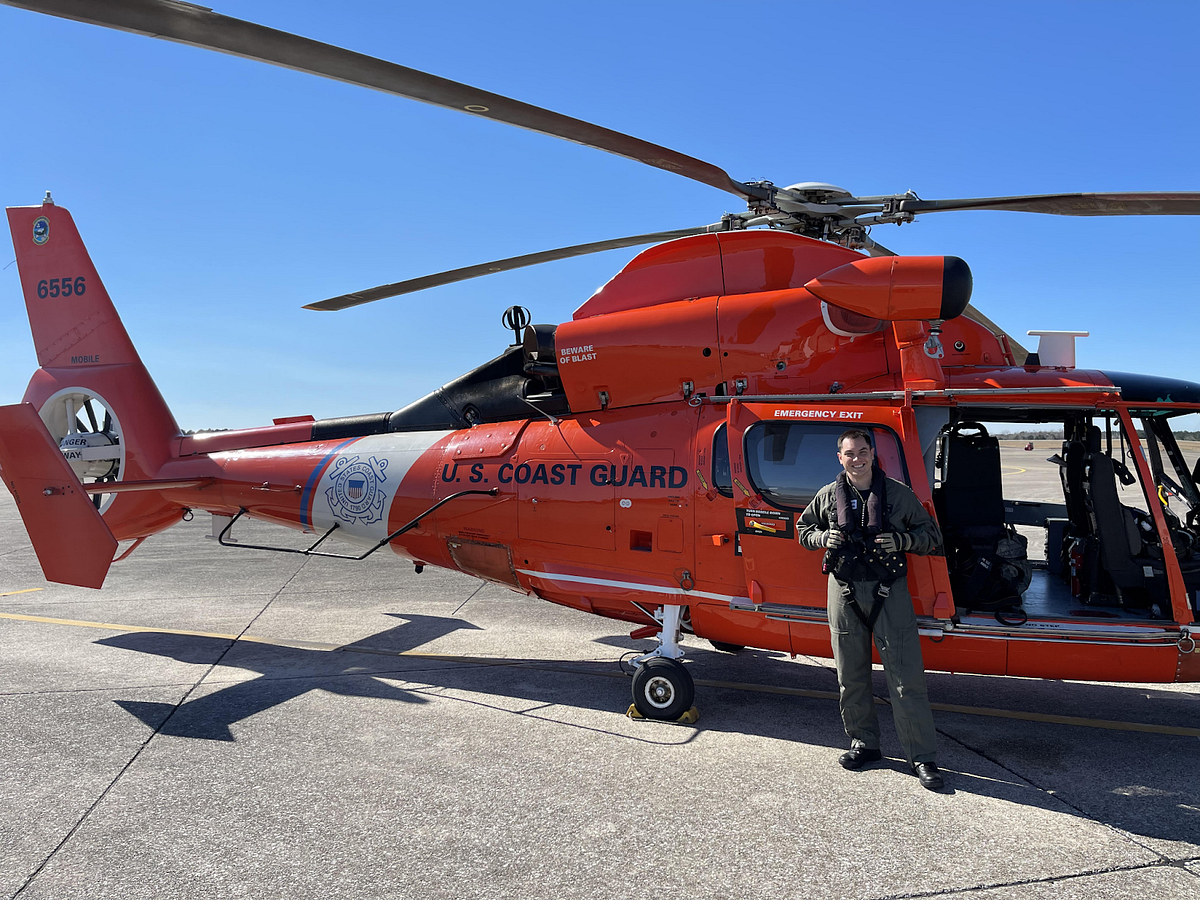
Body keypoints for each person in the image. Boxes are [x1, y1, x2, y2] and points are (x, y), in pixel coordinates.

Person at [797, 428, 945, 791]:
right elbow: (802, 530)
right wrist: (821, 538)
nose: (857, 459)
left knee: (905, 677)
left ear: (872, 454)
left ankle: (921, 757)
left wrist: (901, 540)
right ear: (840, 458)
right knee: (851, 674)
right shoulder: (828, 496)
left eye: (863, 452)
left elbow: (932, 537)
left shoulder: (898, 494)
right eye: (850, 454)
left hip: (888, 592)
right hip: (844, 591)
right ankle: (864, 743)